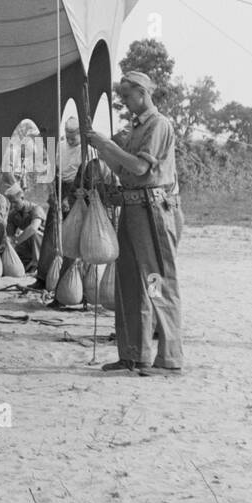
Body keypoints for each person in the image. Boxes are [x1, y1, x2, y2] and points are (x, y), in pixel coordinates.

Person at [82, 70, 183, 377]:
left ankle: (168, 358)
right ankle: (133, 355)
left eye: (127, 96)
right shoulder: (136, 128)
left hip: (153, 210)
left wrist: (107, 146)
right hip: (132, 208)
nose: (124, 103)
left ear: (142, 92)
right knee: (129, 285)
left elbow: (139, 167)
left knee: (156, 282)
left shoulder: (159, 125)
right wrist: (101, 148)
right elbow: (124, 168)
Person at [6, 195, 45, 271]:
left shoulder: (36, 208)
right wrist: (8, 242)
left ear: (22, 198)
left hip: (44, 242)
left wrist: (16, 241)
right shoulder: (12, 214)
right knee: (11, 247)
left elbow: (33, 228)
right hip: (28, 241)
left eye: (15, 202)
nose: (13, 205)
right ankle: (26, 263)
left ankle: (37, 264)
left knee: (33, 234)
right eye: (11, 202)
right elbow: (10, 235)